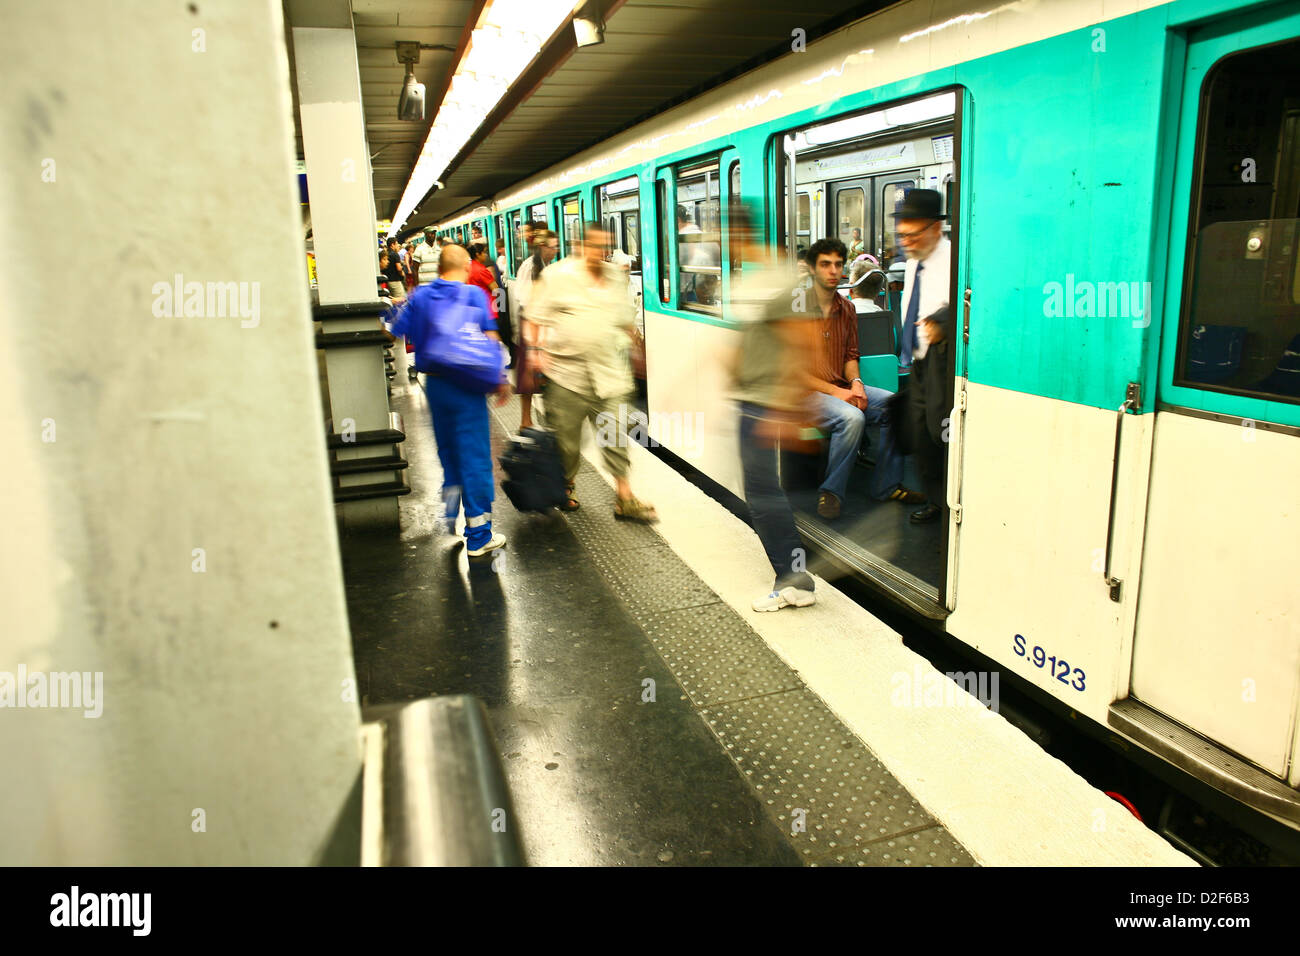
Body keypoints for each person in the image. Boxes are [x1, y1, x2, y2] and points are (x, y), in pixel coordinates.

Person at [528, 221, 657, 522]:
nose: (600, 252)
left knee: (616, 435)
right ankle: (566, 484)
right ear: (580, 245)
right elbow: (533, 317)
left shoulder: (614, 276)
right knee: (567, 443)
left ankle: (624, 498)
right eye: (595, 246)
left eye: (605, 246)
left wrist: (640, 350)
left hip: (610, 373)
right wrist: (535, 354)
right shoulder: (556, 276)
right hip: (566, 376)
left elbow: (625, 319)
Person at [389, 244, 509, 559]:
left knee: (449, 453)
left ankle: (452, 520)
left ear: (439, 267)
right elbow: (491, 339)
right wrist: (502, 378)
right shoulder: (473, 296)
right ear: (467, 266)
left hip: (437, 386)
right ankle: (479, 536)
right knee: (475, 458)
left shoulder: (420, 297)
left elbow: (393, 332)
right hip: (467, 387)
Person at [726, 201, 819, 611]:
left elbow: (803, 344)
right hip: (751, 399)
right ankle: (792, 576)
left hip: (765, 403)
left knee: (763, 494)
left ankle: (795, 582)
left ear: (737, 235)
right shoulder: (755, 278)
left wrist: (785, 408)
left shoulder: (779, 279)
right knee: (763, 491)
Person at [801, 237, 923, 520]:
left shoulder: (847, 309)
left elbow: (850, 356)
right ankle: (831, 492)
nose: (832, 271)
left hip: (839, 387)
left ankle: (886, 486)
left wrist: (855, 384)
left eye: (837, 265)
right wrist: (837, 392)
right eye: (825, 265)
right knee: (852, 418)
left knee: (897, 405)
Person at [894, 188, 952, 525]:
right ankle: (934, 500)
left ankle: (950, 506)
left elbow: (966, 301)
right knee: (919, 434)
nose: (905, 242)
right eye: (901, 235)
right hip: (918, 361)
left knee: (939, 433)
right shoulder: (915, 260)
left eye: (912, 235)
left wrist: (941, 323)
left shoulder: (954, 259)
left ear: (934, 228)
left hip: (941, 363)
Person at [512, 228, 556, 430]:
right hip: (532, 327)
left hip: (543, 326)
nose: (555, 251)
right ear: (542, 246)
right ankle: (525, 421)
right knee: (529, 377)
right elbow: (525, 299)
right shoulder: (529, 267)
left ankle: (543, 419)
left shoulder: (546, 266)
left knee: (540, 377)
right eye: (553, 247)